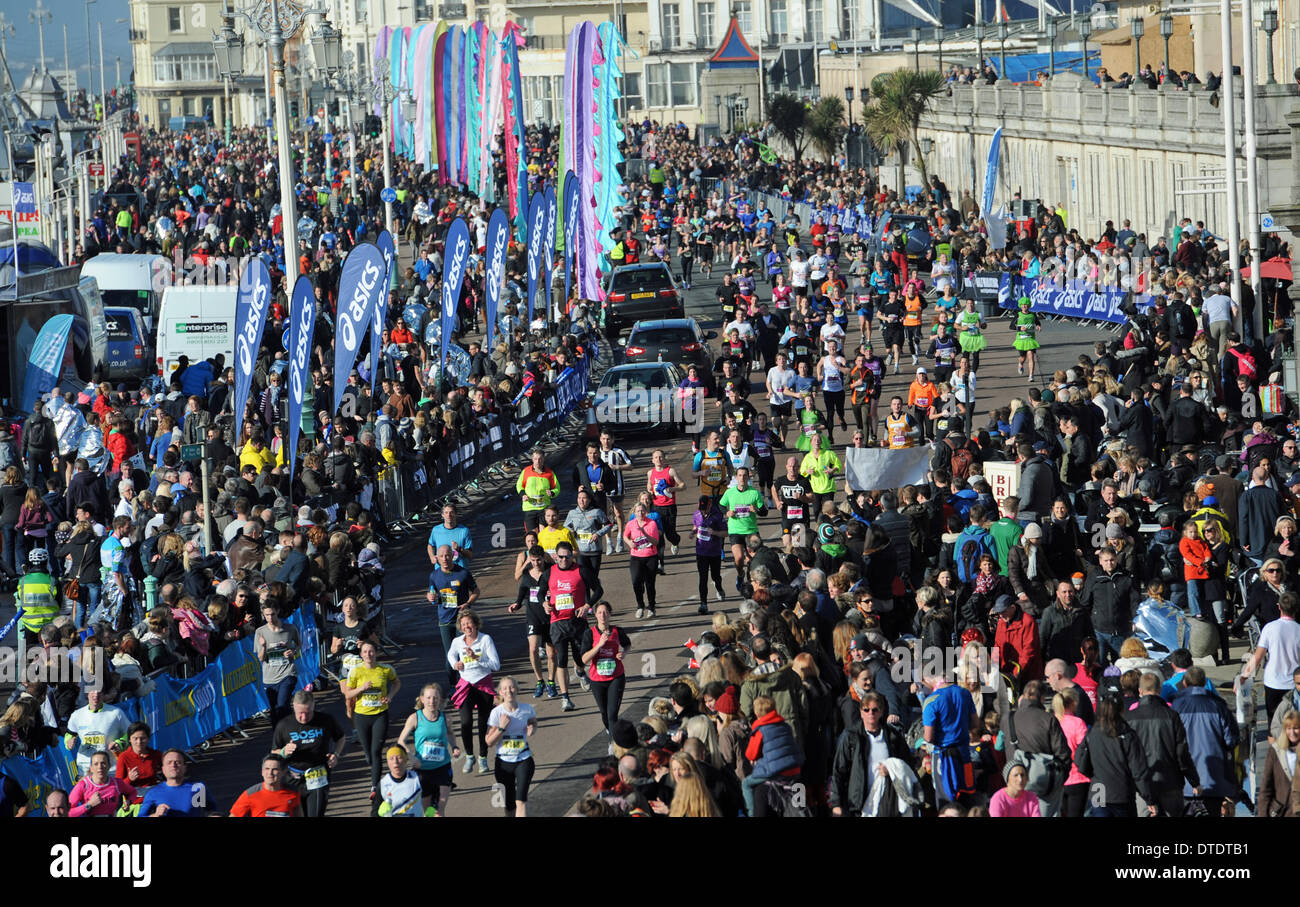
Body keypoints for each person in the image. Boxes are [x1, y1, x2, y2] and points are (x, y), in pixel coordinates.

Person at [1128, 672, 1201, 816]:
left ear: (1140, 691)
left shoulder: (1129, 718)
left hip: (1142, 784)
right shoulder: (1172, 716)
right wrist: (1194, 780)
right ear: (1160, 690)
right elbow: (1182, 753)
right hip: (1170, 780)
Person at [540, 540, 602, 711]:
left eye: (567, 557)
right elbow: (540, 592)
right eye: (560, 557)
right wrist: (544, 604)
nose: (564, 560)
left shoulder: (581, 571)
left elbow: (598, 590)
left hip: (578, 622)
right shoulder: (549, 572)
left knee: (580, 657)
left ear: (571, 556)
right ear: (556, 557)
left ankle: (581, 672)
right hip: (557, 622)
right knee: (561, 660)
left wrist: (587, 605)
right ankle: (565, 697)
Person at [828, 691, 911, 816]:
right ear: (861, 712)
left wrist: (891, 769)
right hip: (859, 802)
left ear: (881, 712)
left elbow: (907, 764)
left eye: (875, 710)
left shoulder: (893, 736)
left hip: (888, 802)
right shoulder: (851, 737)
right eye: (866, 710)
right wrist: (836, 803)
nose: (870, 713)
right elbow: (839, 771)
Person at [1171, 666, 1239, 815]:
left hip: (1185, 781)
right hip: (1214, 778)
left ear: (1185, 684)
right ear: (1204, 683)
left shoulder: (1176, 706)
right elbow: (1231, 740)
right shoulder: (1218, 705)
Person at [1073, 696, 1156, 817]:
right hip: (1122, 791)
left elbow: (1079, 760)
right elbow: (1138, 770)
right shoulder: (1127, 734)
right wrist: (1148, 798)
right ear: (1121, 711)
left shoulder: (1092, 734)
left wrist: (1093, 774)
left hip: (1098, 788)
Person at [271, 690, 346, 817]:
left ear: (314, 706)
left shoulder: (325, 720)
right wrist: (284, 751)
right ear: (293, 707)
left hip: (318, 776)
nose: (304, 717)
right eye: (300, 713)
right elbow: (274, 752)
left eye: (308, 712)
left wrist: (336, 754)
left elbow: (341, 737)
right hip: (292, 779)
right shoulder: (284, 725)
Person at [343, 639, 401, 800]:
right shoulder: (355, 672)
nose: (369, 654)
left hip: (380, 715)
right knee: (368, 753)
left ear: (376, 653)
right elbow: (348, 694)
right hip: (362, 716)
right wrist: (361, 688)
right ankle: (374, 769)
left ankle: (374, 786)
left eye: (371, 651)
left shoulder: (385, 669)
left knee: (376, 751)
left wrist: (390, 696)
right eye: (365, 652)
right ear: (361, 655)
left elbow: (396, 683)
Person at [448, 608, 501, 776]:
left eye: (469, 623)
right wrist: (455, 664)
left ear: (476, 623)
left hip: (483, 683)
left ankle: (483, 757)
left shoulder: (485, 640)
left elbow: (496, 665)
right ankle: (470, 756)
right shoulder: (457, 642)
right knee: (465, 722)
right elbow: (450, 655)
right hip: (466, 684)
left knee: (483, 723)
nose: (466, 627)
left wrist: (478, 659)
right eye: (463, 624)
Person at [398, 683, 460, 816]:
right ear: (422, 699)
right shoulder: (415, 718)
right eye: (428, 697)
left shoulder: (445, 718)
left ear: (440, 700)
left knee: (439, 810)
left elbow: (450, 733)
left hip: (443, 768)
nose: (432, 701)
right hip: (423, 770)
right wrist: (411, 757)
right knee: (427, 812)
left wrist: (454, 746)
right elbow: (401, 741)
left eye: (435, 698)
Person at [427, 544, 480, 691]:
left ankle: (467, 682)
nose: (445, 559)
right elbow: (431, 593)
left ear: (453, 556)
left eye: (447, 555)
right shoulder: (434, 575)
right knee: (450, 654)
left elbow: (476, 591)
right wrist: (430, 596)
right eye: (441, 556)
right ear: (436, 557)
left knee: (464, 652)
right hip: (445, 620)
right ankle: (453, 685)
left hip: (462, 620)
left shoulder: (462, 573)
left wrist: (468, 603)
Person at [581, 601, 632, 748]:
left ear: (610, 614)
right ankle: (610, 731)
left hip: (616, 677)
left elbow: (627, 644)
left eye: (605, 612)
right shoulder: (589, 634)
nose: (602, 615)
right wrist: (599, 645)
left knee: (612, 714)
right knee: (604, 713)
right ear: (595, 615)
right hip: (597, 679)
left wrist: (624, 653)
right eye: (599, 612)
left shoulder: (617, 631)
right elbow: (584, 659)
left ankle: (614, 745)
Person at [922, 669, 977, 806]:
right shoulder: (964, 693)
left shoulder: (931, 700)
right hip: (964, 753)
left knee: (946, 802)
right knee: (966, 799)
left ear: (927, 679)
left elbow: (928, 737)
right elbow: (976, 723)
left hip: (943, 758)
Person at [1242, 591, 1300, 721]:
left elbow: (1257, 657)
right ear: (1296, 608)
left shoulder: (1270, 628)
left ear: (1279, 607)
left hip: (1273, 681)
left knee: (1273, 723)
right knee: (1294, 722)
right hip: (1294, 684)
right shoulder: (1298, 629)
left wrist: (1244, 676)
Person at [742, 695, 803, 816]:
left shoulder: (760, 730)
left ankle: (750, 813)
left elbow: (750, 755)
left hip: (775, 773)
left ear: (756, 713)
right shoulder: (786, 726)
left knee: (746, 784)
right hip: (794, 771)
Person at [485, 676, 538, 817]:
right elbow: (489, 742)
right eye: (505, 688)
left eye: (512, 687)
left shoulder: (526, 709)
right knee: (509, 805)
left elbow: (533, 721)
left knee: (521, 801)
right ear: (500, 692)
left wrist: (532, 727)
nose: (509, 691)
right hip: (503, 764)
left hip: (524, 759)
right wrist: (501, 728)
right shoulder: (496, 713)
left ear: (517, 689)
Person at [255, 602, 300, 730]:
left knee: (282, 705)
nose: (270, 618)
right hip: (270, 677)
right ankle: (280, 737)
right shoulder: (260, 632)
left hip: (288, 673)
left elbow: (298, 644)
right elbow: (261, 658)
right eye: (267, 615)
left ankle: (290, 732)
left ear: (278, 611)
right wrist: (263, 646)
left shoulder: (290, 628)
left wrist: (293, 651)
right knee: (275, 711)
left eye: (272, 614)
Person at [65, 688, 130, 774]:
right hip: (86, 768)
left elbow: (130, 733)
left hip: (110, 769)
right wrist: (68, 742)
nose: (95, 695)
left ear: (103, 694)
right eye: (92, 691)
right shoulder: (77, 715)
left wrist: (120, 743)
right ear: (87, 694)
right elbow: (69, 734)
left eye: (99, 692)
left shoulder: (116, 713)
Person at [137, 749, 216, 817]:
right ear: (163, 769)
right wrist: (155, 815)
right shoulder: (153, 792)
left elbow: (212, 812)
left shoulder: (198, 788)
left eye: (177, 762)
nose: (173, 765)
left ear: (184, 768)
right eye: (169, 762)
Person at [228, 753, 303, 817]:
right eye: (267, 769)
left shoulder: (293, 793)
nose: (270, 773)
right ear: (262, 772)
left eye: (275, 769)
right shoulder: (250, 794)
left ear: (283, 772)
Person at [623, 501, 662, 619]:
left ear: (646, 512)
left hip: (650, 556)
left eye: (642, 511)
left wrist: (645, 533)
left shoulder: (652, 524)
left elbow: (656, 542)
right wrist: (629, 542)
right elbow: (625, 536)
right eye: (638, 511)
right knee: (636, 582)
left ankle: (651, 607)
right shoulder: (630, 524)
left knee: (650, 583)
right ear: (634, 512)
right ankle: (640, 606)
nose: (640, 513)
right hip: (636, 557)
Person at [1258, 709, 1300, 816]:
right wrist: (1263, 813)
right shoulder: (1275, 751)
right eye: (1289, 728)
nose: (1292, 732)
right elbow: (1266, 787)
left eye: (1296, 728)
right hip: (1281, 811)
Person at [68, 751, 136, 817]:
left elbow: (133, 792)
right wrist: (89, 804)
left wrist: (129, 802)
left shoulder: (117, 783)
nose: (100, 767)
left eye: (103, 763)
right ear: (91, 768)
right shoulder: (83, 785)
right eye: (96, 764)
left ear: (109, 766)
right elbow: (68, 812)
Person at [15, 548, 58, 647]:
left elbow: (21, 598)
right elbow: (59, 602)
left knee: (30, 651)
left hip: (29, 623)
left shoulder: (22, 580)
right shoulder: (53, 581)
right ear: (46, 562)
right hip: (49, 623)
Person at [692, 495, 727, 614]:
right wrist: (693, 532)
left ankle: (719, 587)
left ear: (710, 505)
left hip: (714, 552)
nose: (703, 511)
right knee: (703, 578)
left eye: (705, 509)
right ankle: (703, 603)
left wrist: (715, 532)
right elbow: (696, 526)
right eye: (701, 508)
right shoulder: (697, 514)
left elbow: (725, 533)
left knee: (715, 576)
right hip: (701, 552)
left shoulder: (718, 515)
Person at [516, 448, 559, 532]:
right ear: (532, 459)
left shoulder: (549, 473)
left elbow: (557, 488)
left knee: (544, 533)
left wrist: (552, 493)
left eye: (540, 459)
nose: (538, 461)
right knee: (533, 534)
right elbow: (519, 485)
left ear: (543, 459)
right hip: (530, 508)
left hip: (544, 508)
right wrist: (523, 495)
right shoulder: (526, 471)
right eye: (535, 459)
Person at [378, 746, 429, 817]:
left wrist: (431, 811)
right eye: (391, 758)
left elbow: (432, 798)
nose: (395, 762)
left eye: (399, 757)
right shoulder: (383, 784)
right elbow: (374, 811)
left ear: (405, 760)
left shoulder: (418, 778)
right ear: (388, 762)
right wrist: (380, 813)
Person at [115, 722, 162, 795]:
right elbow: (118, 786)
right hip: (134, 800)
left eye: (142, 738)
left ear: (148, 738)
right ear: (129, 739)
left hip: (155, 796)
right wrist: (129, 779)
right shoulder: (123, 757)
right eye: (135, 738)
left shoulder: (156, 755)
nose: (139, 742)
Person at [1011, 297, 1041, 382]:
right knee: (1023, 358)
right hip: (1021, 340)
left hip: (1030, 339)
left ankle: (1031, 375)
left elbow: (1037, 322)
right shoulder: (1018, 315)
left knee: (1031, 356)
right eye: (1023, 304)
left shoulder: (1033, 314)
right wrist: (1020, 328)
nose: (1024, 306)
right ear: (1020, 306)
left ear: (1029, 305)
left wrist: (1038, 326)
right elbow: (1011, 326)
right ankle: (1020, 363)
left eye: (1026, 304)